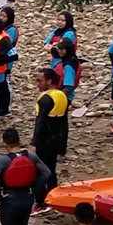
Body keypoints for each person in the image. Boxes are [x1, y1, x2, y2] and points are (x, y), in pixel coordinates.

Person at [30, 69, 68, 215]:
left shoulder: (45, 99)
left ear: (49, 81)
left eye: (40, 81)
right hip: (56, 139)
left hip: (44, 141)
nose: (37, 84)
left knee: (39, 172)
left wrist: (34, 143)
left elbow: (40, 122)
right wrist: (62, 146)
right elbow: (64, 123)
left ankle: (40, 203)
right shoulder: (62, 96)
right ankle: (53, 197)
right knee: (51, 171)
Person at [0, 6, 19, 113]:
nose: (1, 18)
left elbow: (7, 44)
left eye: (4, 16)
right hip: (0, 58)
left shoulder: (11, 29)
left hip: (7, 59)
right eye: (0, 15)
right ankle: (1, 104)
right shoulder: (1, 28)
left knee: (6, 82)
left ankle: (8, 106)